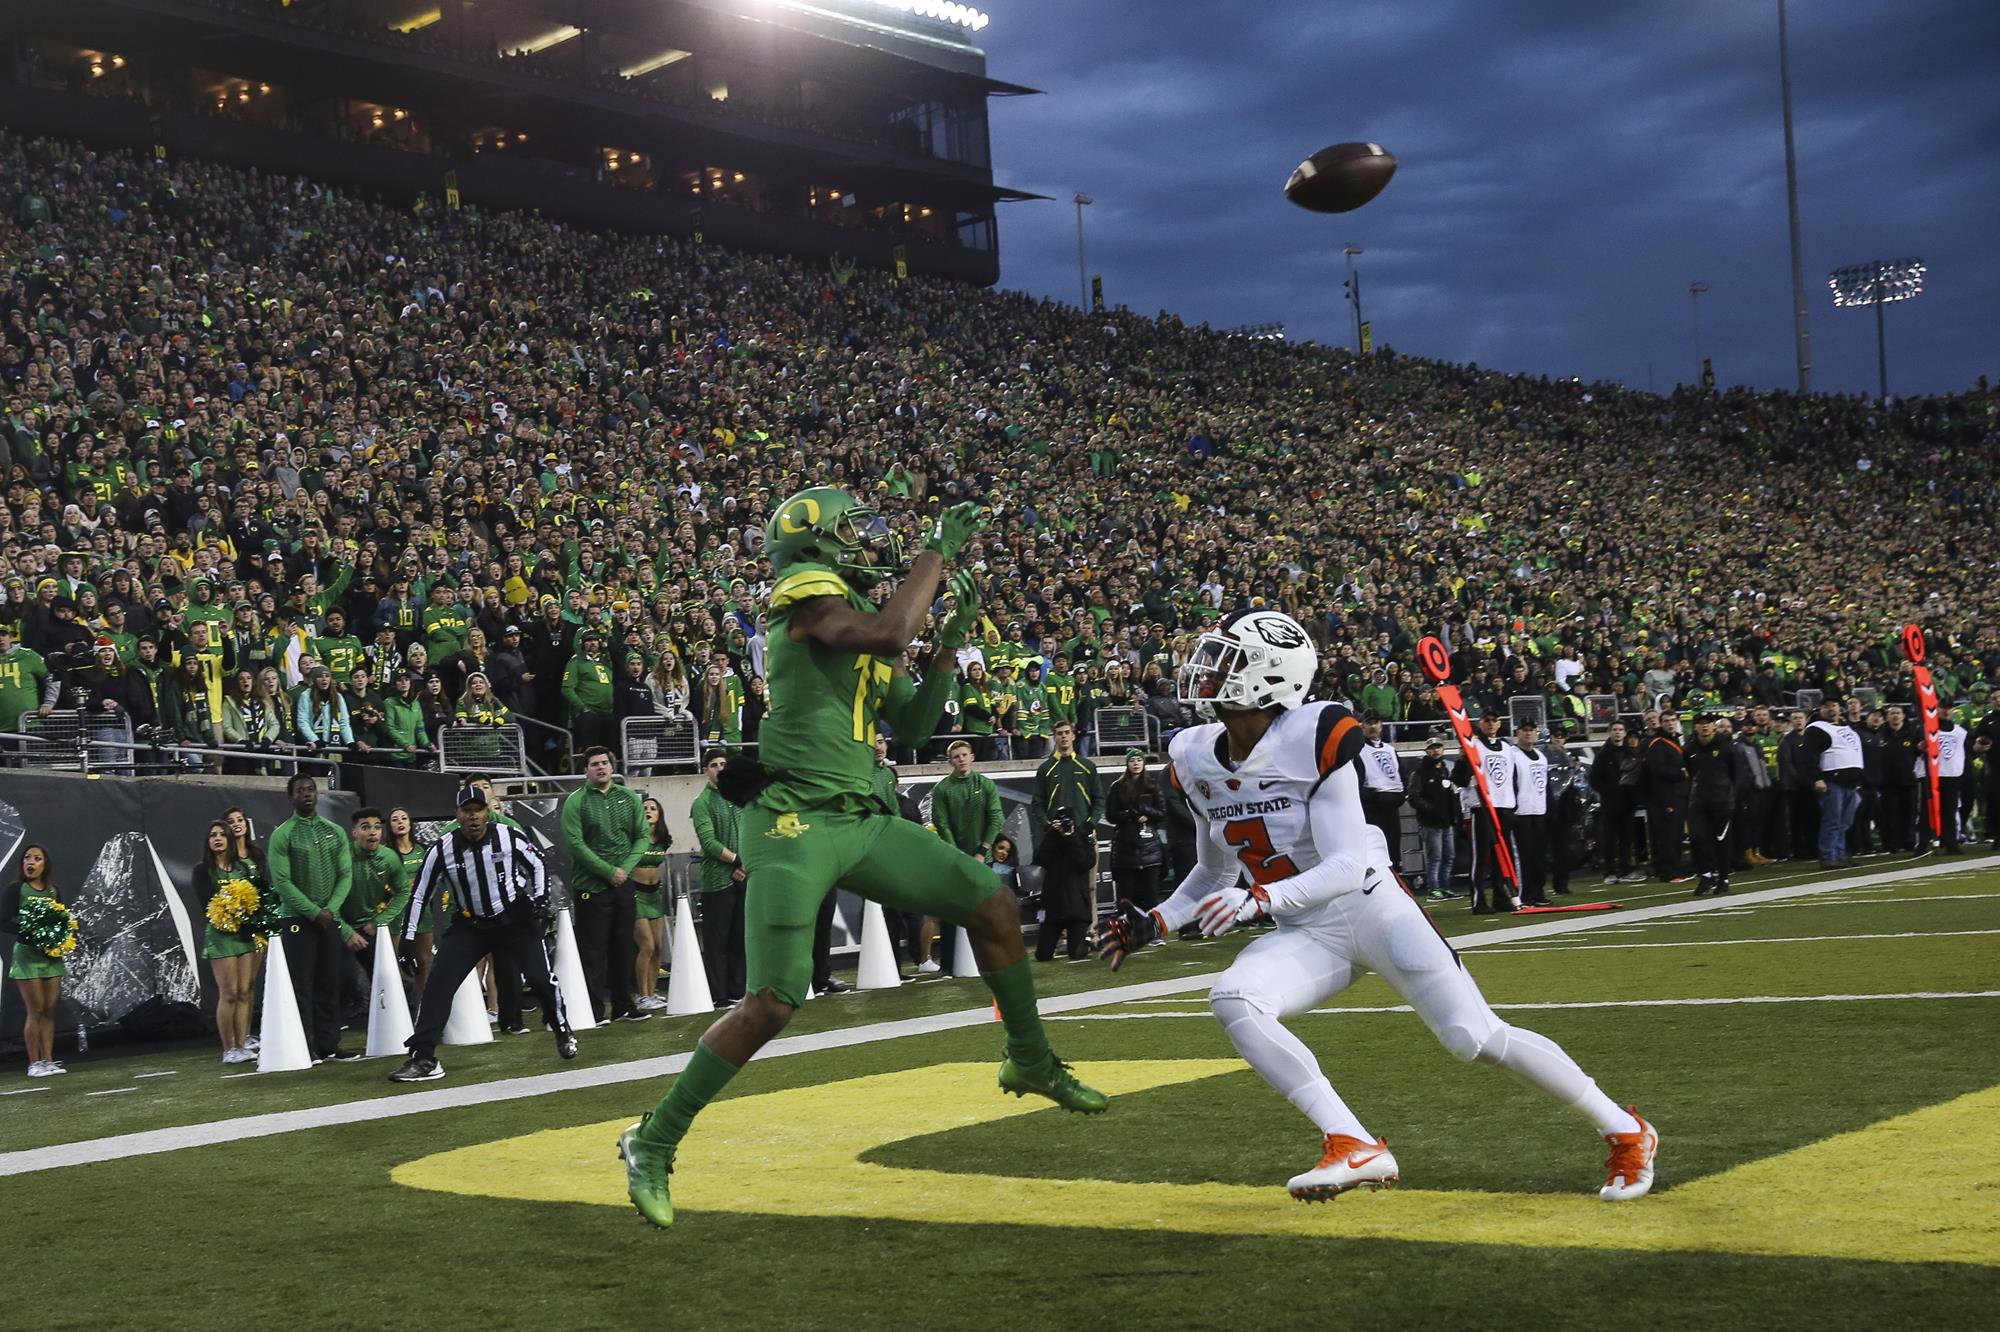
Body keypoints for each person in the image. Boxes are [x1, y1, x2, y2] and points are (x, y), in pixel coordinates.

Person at [618, 489, 1105, 1229]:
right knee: (773, 1002)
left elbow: (913, 722)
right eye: (849, 530)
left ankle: (1030, 1058)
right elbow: (889, 630)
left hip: (858, 816)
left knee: (993, 903)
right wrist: (936, 554)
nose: (864, 541)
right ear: (811, 542)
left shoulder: (855, 620)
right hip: (793, 821)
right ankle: (652, 1139)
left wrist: (951, 643)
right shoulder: (805, 589)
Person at [1096, 608, 1658, 1203]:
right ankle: (1353, 1142)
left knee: (1472, 1036)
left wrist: (1261, 898)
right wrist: (1157, 920)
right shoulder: (1194, 755)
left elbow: (1344, 865)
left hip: (1371, 907)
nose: (1208, 669)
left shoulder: (1313, 734)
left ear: (1270, 674)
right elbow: (1214, 870)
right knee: (1235, 998)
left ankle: (1627, 1131)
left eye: (1228, 659)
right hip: (1304, 928)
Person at [389, 785, 576, 1082]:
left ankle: (562, 1028)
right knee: (438, 984)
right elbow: (420, 894)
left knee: (540, 978)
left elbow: (538, 864)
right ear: (457, 815)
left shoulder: (509, 835)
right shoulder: (442, 848)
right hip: (471, 925)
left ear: (487, 813)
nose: (473, 816)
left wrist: (541, 903)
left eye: (478, 810)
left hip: (515, 919)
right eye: (467, 811)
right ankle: (423, 1058)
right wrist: (408, 939)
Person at [266, 774, 358, 1063]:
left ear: (317, 794)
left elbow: (346, 874)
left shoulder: (334, 831)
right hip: (297, 919)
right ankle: (305, 1047)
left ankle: (330, 1045)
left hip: (329, 918)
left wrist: (330, 909)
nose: (306, 794)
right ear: (290, 797)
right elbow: (282, 882)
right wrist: (313, 911)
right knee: (302, 987)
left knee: (330, 983)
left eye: (310, 789)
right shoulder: (283, 834)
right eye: (300, 791)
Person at [561, 745, 650, 1023]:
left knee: (623, 947)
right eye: (594, 764)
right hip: (591, 886)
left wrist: (624, 869)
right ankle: (594, 1010)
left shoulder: (629, 797)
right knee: (593, 950)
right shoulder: (576, 801)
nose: (600, 767)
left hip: (623, 884)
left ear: (612, 767)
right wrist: (608, 871)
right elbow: (575, 844)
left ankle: (623, 1006)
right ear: (585, 770)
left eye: (604, 762)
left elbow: (642, 836)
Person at [928, 738, 1003, 975]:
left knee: (984, 910)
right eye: (956, 756)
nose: (961, 759)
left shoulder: (986, 784)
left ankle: (989, 959)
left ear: (972, 757)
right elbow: (942, 823)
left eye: (964, 755)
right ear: (950, 761)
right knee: (952, 912)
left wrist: (982, 851)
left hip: (982, 860)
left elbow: (995, 819)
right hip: (953, 861)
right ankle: (948, 966)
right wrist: (958, 856)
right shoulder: (943, 789)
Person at [194, 821, 265, 1064]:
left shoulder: (242, 868)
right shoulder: (203, 870)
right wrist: (230, 909)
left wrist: (247, 915)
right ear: (208, 841)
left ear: (229, 840)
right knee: (229, 993)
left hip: (244, 935)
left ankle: (242, 1043)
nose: (217, 838)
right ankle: (228, 1049)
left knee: (244, 991)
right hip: (221, 935)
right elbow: (206, 904)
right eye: (212, 835)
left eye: (222, 835)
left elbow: (255, 898)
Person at [690, 750, 748, 1006]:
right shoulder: (702, 802)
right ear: (705, 771)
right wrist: (736, 860)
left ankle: (738, 990)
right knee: (717, 941)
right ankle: (718, 994)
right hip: (717, 881)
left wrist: (745, 864)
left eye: (723, 764)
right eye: (714, 765)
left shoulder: (739, 797)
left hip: (743, 876)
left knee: (739, 937)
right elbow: (709, 842)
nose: (720, 768)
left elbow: (751, 830)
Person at [341, 807, 413, 1006]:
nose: (373, 832)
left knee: (387, 980)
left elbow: (403, 891)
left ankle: (397, 1013)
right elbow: (326, 898)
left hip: (369, 928)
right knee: (343, 981)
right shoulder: (341, 856)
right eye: (365, 827)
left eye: (377, 827)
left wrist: (379, 921)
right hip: (339, 927)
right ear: (354, 832)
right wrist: (345, 931)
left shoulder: (389, 858)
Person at [5, 846, 67, 1076]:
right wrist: (29, 931)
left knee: (49, 1009)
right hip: (27, 956)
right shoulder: (16, 889)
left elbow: (61, 918)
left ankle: (48, 1060)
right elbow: (2, 920)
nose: (31, 862)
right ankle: (34, 1063)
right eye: (27, 858)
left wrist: (58, 937)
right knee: (36, 1010)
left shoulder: (53, 891)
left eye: (37, 858)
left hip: (50, 956)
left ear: (44, 864)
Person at [1453, 712, 1519, 913]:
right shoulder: (1474, 746)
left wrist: (1513, 802)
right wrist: (1463, 759)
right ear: (1480, 723)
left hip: (1504, 805)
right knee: (1480, 856)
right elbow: (1460, 779)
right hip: (1482, 806)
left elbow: (1511, 776)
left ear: (1499, 723)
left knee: (1502, 856)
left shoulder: (1507, 747)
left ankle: (1501, 897)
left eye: (1494, 720)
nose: (1491, 724)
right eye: (1487, 721)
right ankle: (1478, 901)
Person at [1802, 697, 1863, 869]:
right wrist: (1817, 778)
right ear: (1820, 709)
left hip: (1851, 781)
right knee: (1832, 820)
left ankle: (1839, 854)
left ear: (1839, 708)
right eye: (1826, 706)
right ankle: (1828, 855)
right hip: (1832, 780)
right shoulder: (1816, 728)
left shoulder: (1846, 728)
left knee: (1845, 821)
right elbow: (1809, 755)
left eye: (1834, 705)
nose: (1831, 709)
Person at [1106, 748, 1167, 912]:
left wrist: (1145, 811)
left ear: (1144, 763)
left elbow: (1162, 813)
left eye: (1139, 760)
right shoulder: (1117, 787)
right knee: (1126, 897)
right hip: (1126, 847)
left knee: (1152, 896)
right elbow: (1110, 815)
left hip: (1150, 847)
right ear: (1127, 763)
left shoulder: (1153, 786)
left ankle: (1153, 926)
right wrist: (1130, 815)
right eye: (1132, 760)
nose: (1136, 763)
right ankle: (1126, 926)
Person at [1682, 715, 1736, 897]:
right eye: (1701, 724)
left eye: (1708, 724)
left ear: (1714, 726)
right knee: (1697, 837)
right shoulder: (1689, 748)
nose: (1704, 727)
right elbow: (1690, 772)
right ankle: (1706, 875)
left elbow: (1736, 773)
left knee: (1722, 840)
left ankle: (1723, 878)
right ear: (1695, 727)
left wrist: (1732, 797)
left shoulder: (1726, 747)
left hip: (1721, 800)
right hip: (1698, 801)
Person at [1032, 814, 1095, 961]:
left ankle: (1088, 941)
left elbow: (1085, 863)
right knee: (1042, 955)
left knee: (1077, 954)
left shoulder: (1082, 840)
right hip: (1053, 908)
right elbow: (1040, 859)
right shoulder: (1051, 840)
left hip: (1077, 909)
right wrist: (1051, 834)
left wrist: (1071, 837)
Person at [385, 807, 434, 994]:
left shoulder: (423, 850)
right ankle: (400, 1005)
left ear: (410, 823)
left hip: (422, 914)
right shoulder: (386, 853)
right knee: (395, 965)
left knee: (423, 963)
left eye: (404, 818)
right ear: (389, 826)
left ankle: (421, 1007)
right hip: (396, 914)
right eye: (395, 819)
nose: (400, 822)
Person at [631, 797, 674, 1011]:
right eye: (645, 808)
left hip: (654, 895)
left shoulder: (662, 839)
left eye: (653, 808)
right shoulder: (634, 838)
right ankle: (642, 996)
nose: (648, 810)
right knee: (646, 945)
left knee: (658, 947)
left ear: (659, 814)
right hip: (636, 895)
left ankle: (652, 992)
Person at [1354, 711, 1407, 871]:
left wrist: (1401, 795)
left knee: (1393, 848)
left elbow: (1402, 775)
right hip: (1373, 808)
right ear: (1362, 726)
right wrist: (1374, 797)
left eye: (1375, 723)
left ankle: (1395, 874)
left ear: (1381, 725)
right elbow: (1356, 782)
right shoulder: (1358, 750)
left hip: (1392, 806)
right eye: (1369, 723)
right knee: (1376, 849)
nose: (1373, 727)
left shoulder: (1390, 750)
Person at [1591, 721, 1643, 883]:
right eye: (1614, 729)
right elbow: (1594, 779)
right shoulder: (1603, 754)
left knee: (1626, 838)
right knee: (1610, 839)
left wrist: (1634, 795)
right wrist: (1609, 792)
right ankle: (1610, 872)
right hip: (1610, 804)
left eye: (1620, 729)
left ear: (1625, 732)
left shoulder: (1631, 752)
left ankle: (1625, 869)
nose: (1618, 732)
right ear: (1610, 732)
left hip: (1628, 803)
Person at [1409, 736, 1459, 901]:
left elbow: (1451, 793)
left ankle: (1445, 887)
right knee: (1435, 858)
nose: (1436, 750)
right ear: (1427, 751)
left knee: (1449, 856)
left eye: (1438, 747)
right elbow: (1414, 797)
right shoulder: (1420, 772)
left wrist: (1453, 814)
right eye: (1432, 748)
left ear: (1443, 749)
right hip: (1430, 823)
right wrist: (1430, 810)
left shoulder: (1445, 769)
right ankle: (1434, 889)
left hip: (1446, 821)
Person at [1508, 723, 1552, 907]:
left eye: (1531, 730)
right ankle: (1524, 894)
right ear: (1517, 733)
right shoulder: (1512, 754)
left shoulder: (1541, 756)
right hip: (1521, 812)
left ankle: (1538, 891)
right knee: (1524, 856)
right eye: (1524, 730)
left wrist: (1549, 809)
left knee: (1538, 855)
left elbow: (1545, 785)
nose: (1528, 733)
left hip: (1539, 810)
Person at [1644, 714, 1690, 882]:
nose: (1670, 724)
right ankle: (1668, 871)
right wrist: (1681, 774)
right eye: (1666, 721)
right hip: (1666, 795)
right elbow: (1657, 769)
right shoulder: (1658, 744)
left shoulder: (1675, 740)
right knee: (1667, 835)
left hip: (1678, 794)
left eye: (1672, 720)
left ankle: (1676, 868)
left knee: (1676, 833)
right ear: (1661, 724)